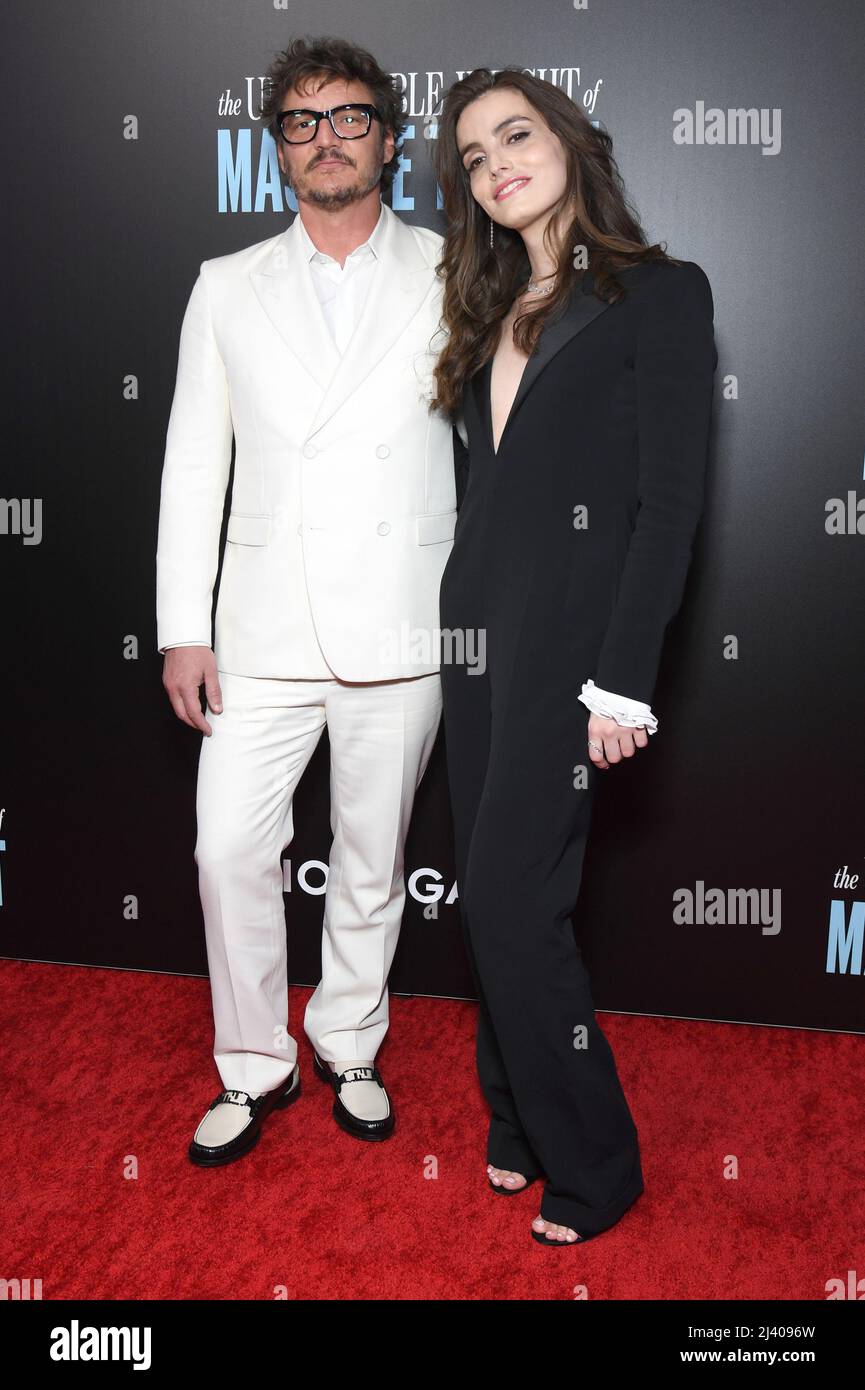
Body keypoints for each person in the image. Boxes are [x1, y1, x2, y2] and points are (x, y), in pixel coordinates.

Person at [156, 36, 459, 1166]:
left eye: (347, 117)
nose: (324, 137)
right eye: (299, 119)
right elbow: (196, 463)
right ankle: (251, 1063)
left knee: (372, 854)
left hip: (401, 611)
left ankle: (348, 1038)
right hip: (261, 630)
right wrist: (185, 621)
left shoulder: (450, 270)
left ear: (388, 135)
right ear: (275, 144)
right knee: (227, 848)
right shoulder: (225, 285)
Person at [431, 68, 718, 1245]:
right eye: (473, 155)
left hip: (570, 656)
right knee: (504, 900)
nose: (497, 161)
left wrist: (623, 677)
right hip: (475, 640)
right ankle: (515, 1120)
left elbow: (669, 505)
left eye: (516, 132)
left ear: (567, 139)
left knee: (508, 900)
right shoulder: (489, 309)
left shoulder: (658, 293)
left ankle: (594, 1163)